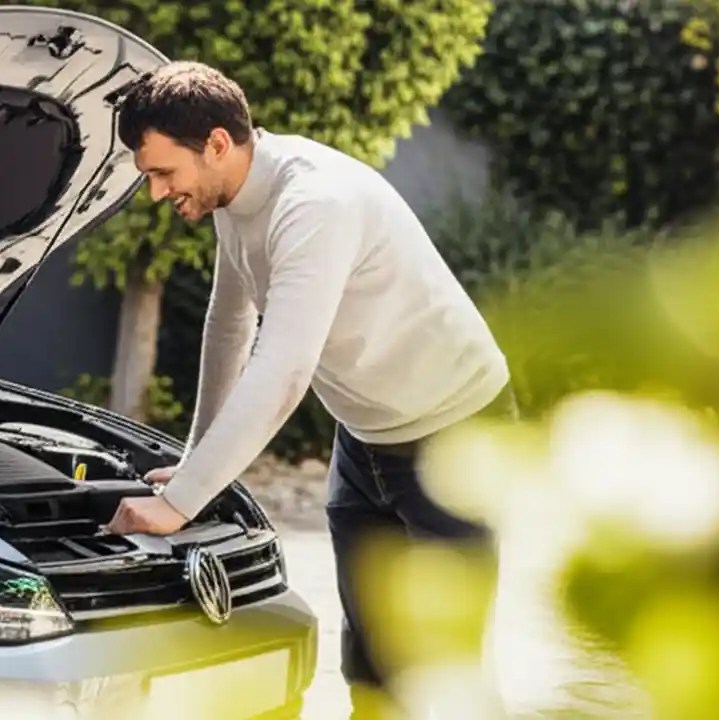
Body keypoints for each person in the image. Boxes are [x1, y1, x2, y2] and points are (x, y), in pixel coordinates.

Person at [103, 61, 516, 717]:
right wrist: (194, 461)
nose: (156, 192)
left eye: (162, 172)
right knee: (371, 668)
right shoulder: (234, 203)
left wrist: (182, 502)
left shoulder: (312, 203)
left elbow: (285, 366)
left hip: (457, 436)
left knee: (445, 678)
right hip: (364, 443)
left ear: (216, 143)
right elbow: (229, 324)